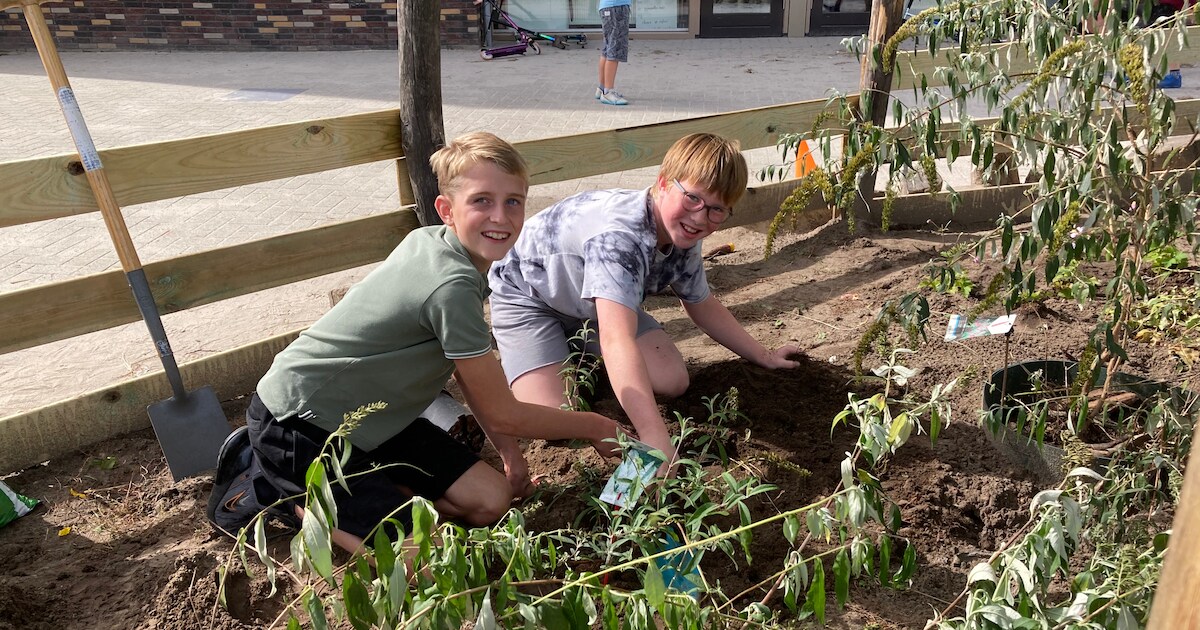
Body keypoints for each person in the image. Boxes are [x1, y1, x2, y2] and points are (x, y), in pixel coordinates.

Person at [206, 132, 622, 554]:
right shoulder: (452, 284)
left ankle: (365, 491)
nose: (501, 216)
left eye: (513, 201)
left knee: (492, 501)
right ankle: (276, 491)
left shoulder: (441, 246)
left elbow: (476, 381)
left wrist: (510, 457)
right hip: (301, 425)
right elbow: (504, 412)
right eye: (481, 200)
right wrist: (596, 426)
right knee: (418, 560)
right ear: (446, 210)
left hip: (377, 418)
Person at [488, 132, 802, 474]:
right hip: (529, 296)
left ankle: (588, 359)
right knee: (556, 418)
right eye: (693, 199)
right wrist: (656, 438)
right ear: (664, 183)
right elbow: (616, 339)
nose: (700, 217)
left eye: (716, 210)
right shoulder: (620, 239)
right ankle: (560, 358)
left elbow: (701, 303)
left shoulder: (683, 230)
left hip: (596, 307)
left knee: (672, 380)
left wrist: (764, 355)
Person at [595, 0, 631, 106]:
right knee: (615, 49)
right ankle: (608, 92)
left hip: (609, 8)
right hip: (616, 7)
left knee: (607, 49)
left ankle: (602, 88)